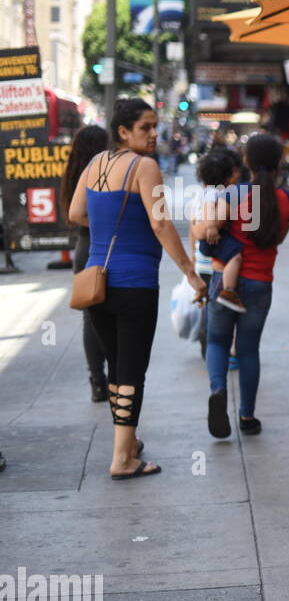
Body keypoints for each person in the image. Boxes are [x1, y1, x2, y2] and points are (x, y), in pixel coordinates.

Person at [68, 98, 206, 480]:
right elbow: (161, 225)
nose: (153, 134)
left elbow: (75, 213)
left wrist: (110, 222)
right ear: (123, 131)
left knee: (117, 369)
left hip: (97, 283)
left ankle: (128, 444)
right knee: (131, 372)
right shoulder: (145, 168)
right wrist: (191, 273)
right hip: (135, 285)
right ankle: (122, 460)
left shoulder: (95, 164)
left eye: (154, 126)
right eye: (145, 127)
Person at [195, 134, 289, 438]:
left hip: (223, 278)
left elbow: (205, 234)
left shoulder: (233, 195)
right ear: (280, 162)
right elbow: (278, 238)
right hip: (260, 282)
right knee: (249, 350)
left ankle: (218, 392)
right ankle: (248, 417)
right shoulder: (287, 200)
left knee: (216, 342)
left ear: (247, 163)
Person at [60, 124, 110, 402]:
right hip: (101, 247)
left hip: (83, 247)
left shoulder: (71, 174)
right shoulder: (101, 172)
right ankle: (115, 378)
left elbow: (71, 214)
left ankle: (96, 380)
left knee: (90, 318)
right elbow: (79, 215)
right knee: (110, 315)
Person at [193, 151, 247, 313]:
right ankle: (228, 291)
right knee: (236, 256)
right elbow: (209, 208)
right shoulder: (214, 192)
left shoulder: (208, 191)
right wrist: (211, 227)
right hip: (212, 238)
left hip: (207, 241)